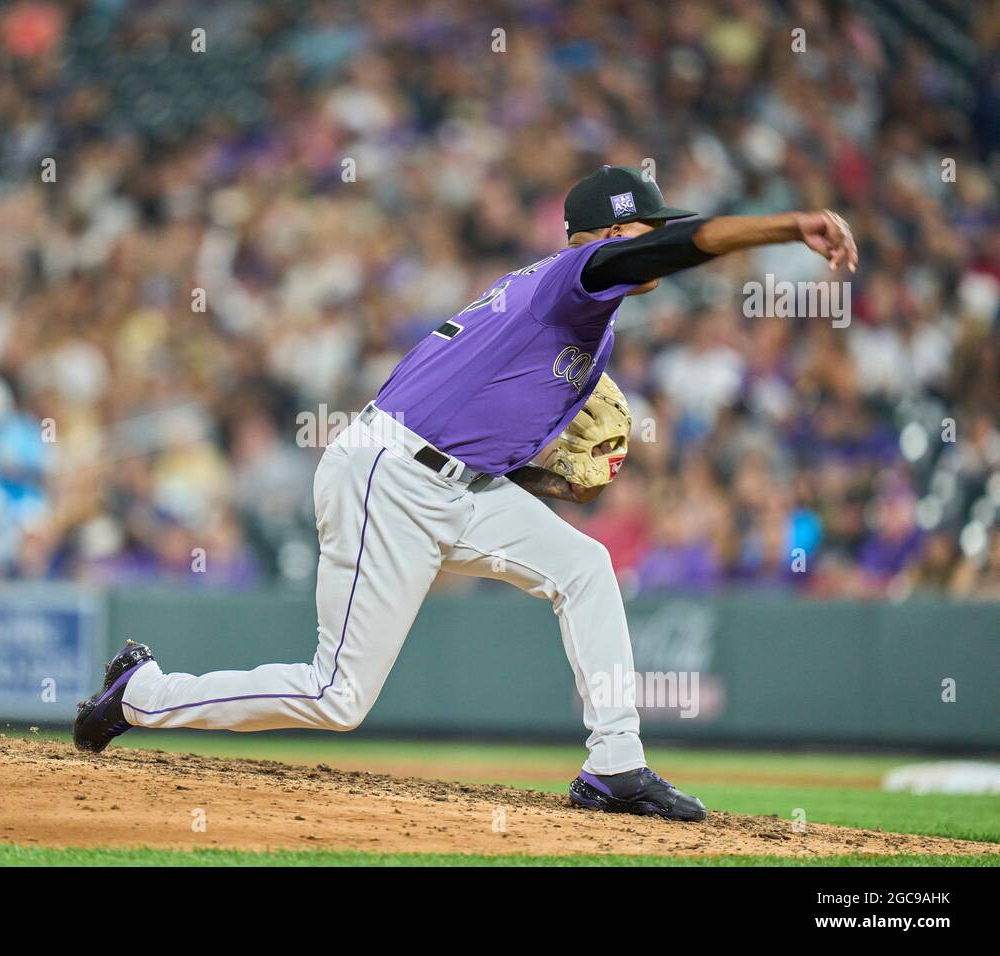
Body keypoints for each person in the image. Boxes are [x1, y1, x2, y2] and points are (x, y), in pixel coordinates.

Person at [73, 165, 858, 823]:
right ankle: (140, 694)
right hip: (390, 476)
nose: (652, 240)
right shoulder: (572, 279)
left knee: (583, 567)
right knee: (337, 696)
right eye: (638, 230)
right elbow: (681, 244)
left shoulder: (591, 328)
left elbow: (506, 440)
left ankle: (615, 766)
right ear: (602, 240)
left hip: (462, 482)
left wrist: (548, 473)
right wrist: (789, 227)